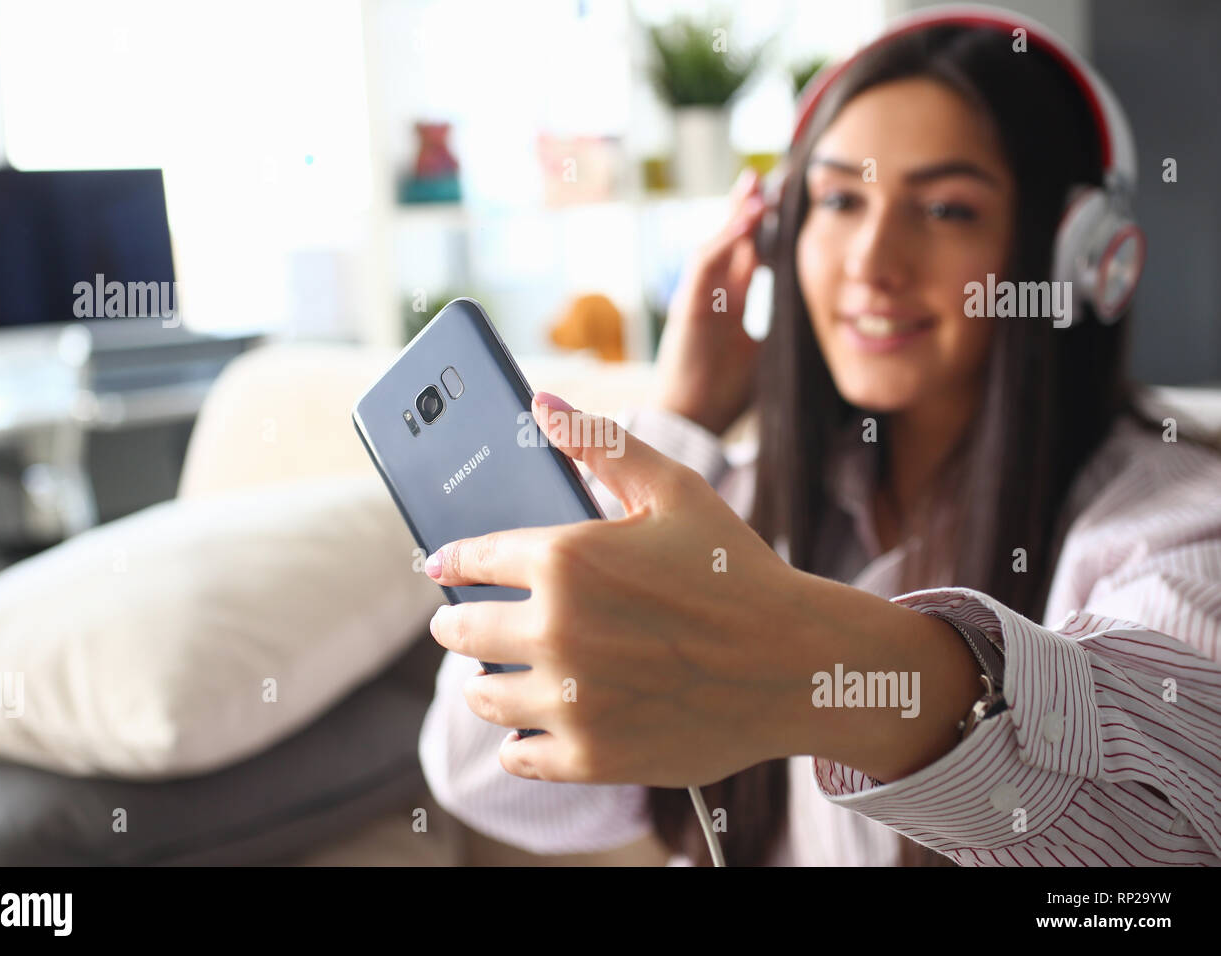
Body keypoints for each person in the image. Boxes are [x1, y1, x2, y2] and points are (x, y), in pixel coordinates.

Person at [417, 8, 1221, 866]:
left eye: (947, 209)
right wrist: (682, 417)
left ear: (1079, 257)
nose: (872, 260)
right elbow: (484, 774)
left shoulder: (1172, 527)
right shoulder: (732, 504)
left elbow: (1168, 825)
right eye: (838, 199)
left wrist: (810, 668)